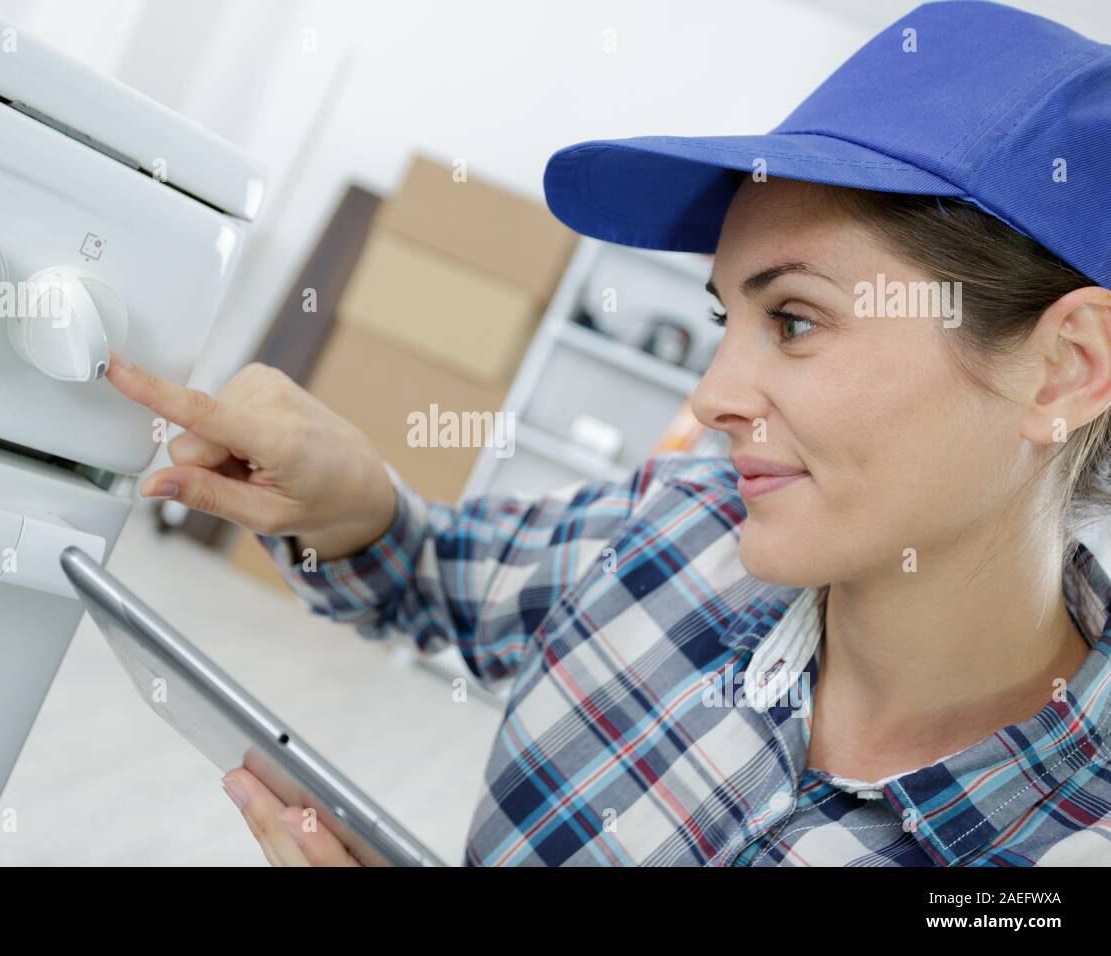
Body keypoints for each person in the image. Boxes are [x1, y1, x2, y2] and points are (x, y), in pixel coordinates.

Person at [105, 0, 1111, 866]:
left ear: (1064, 367)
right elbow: (432, 578)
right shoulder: (684, 527)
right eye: (726, 319)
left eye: (795, 319)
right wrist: (350, 499)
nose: (713, 395)